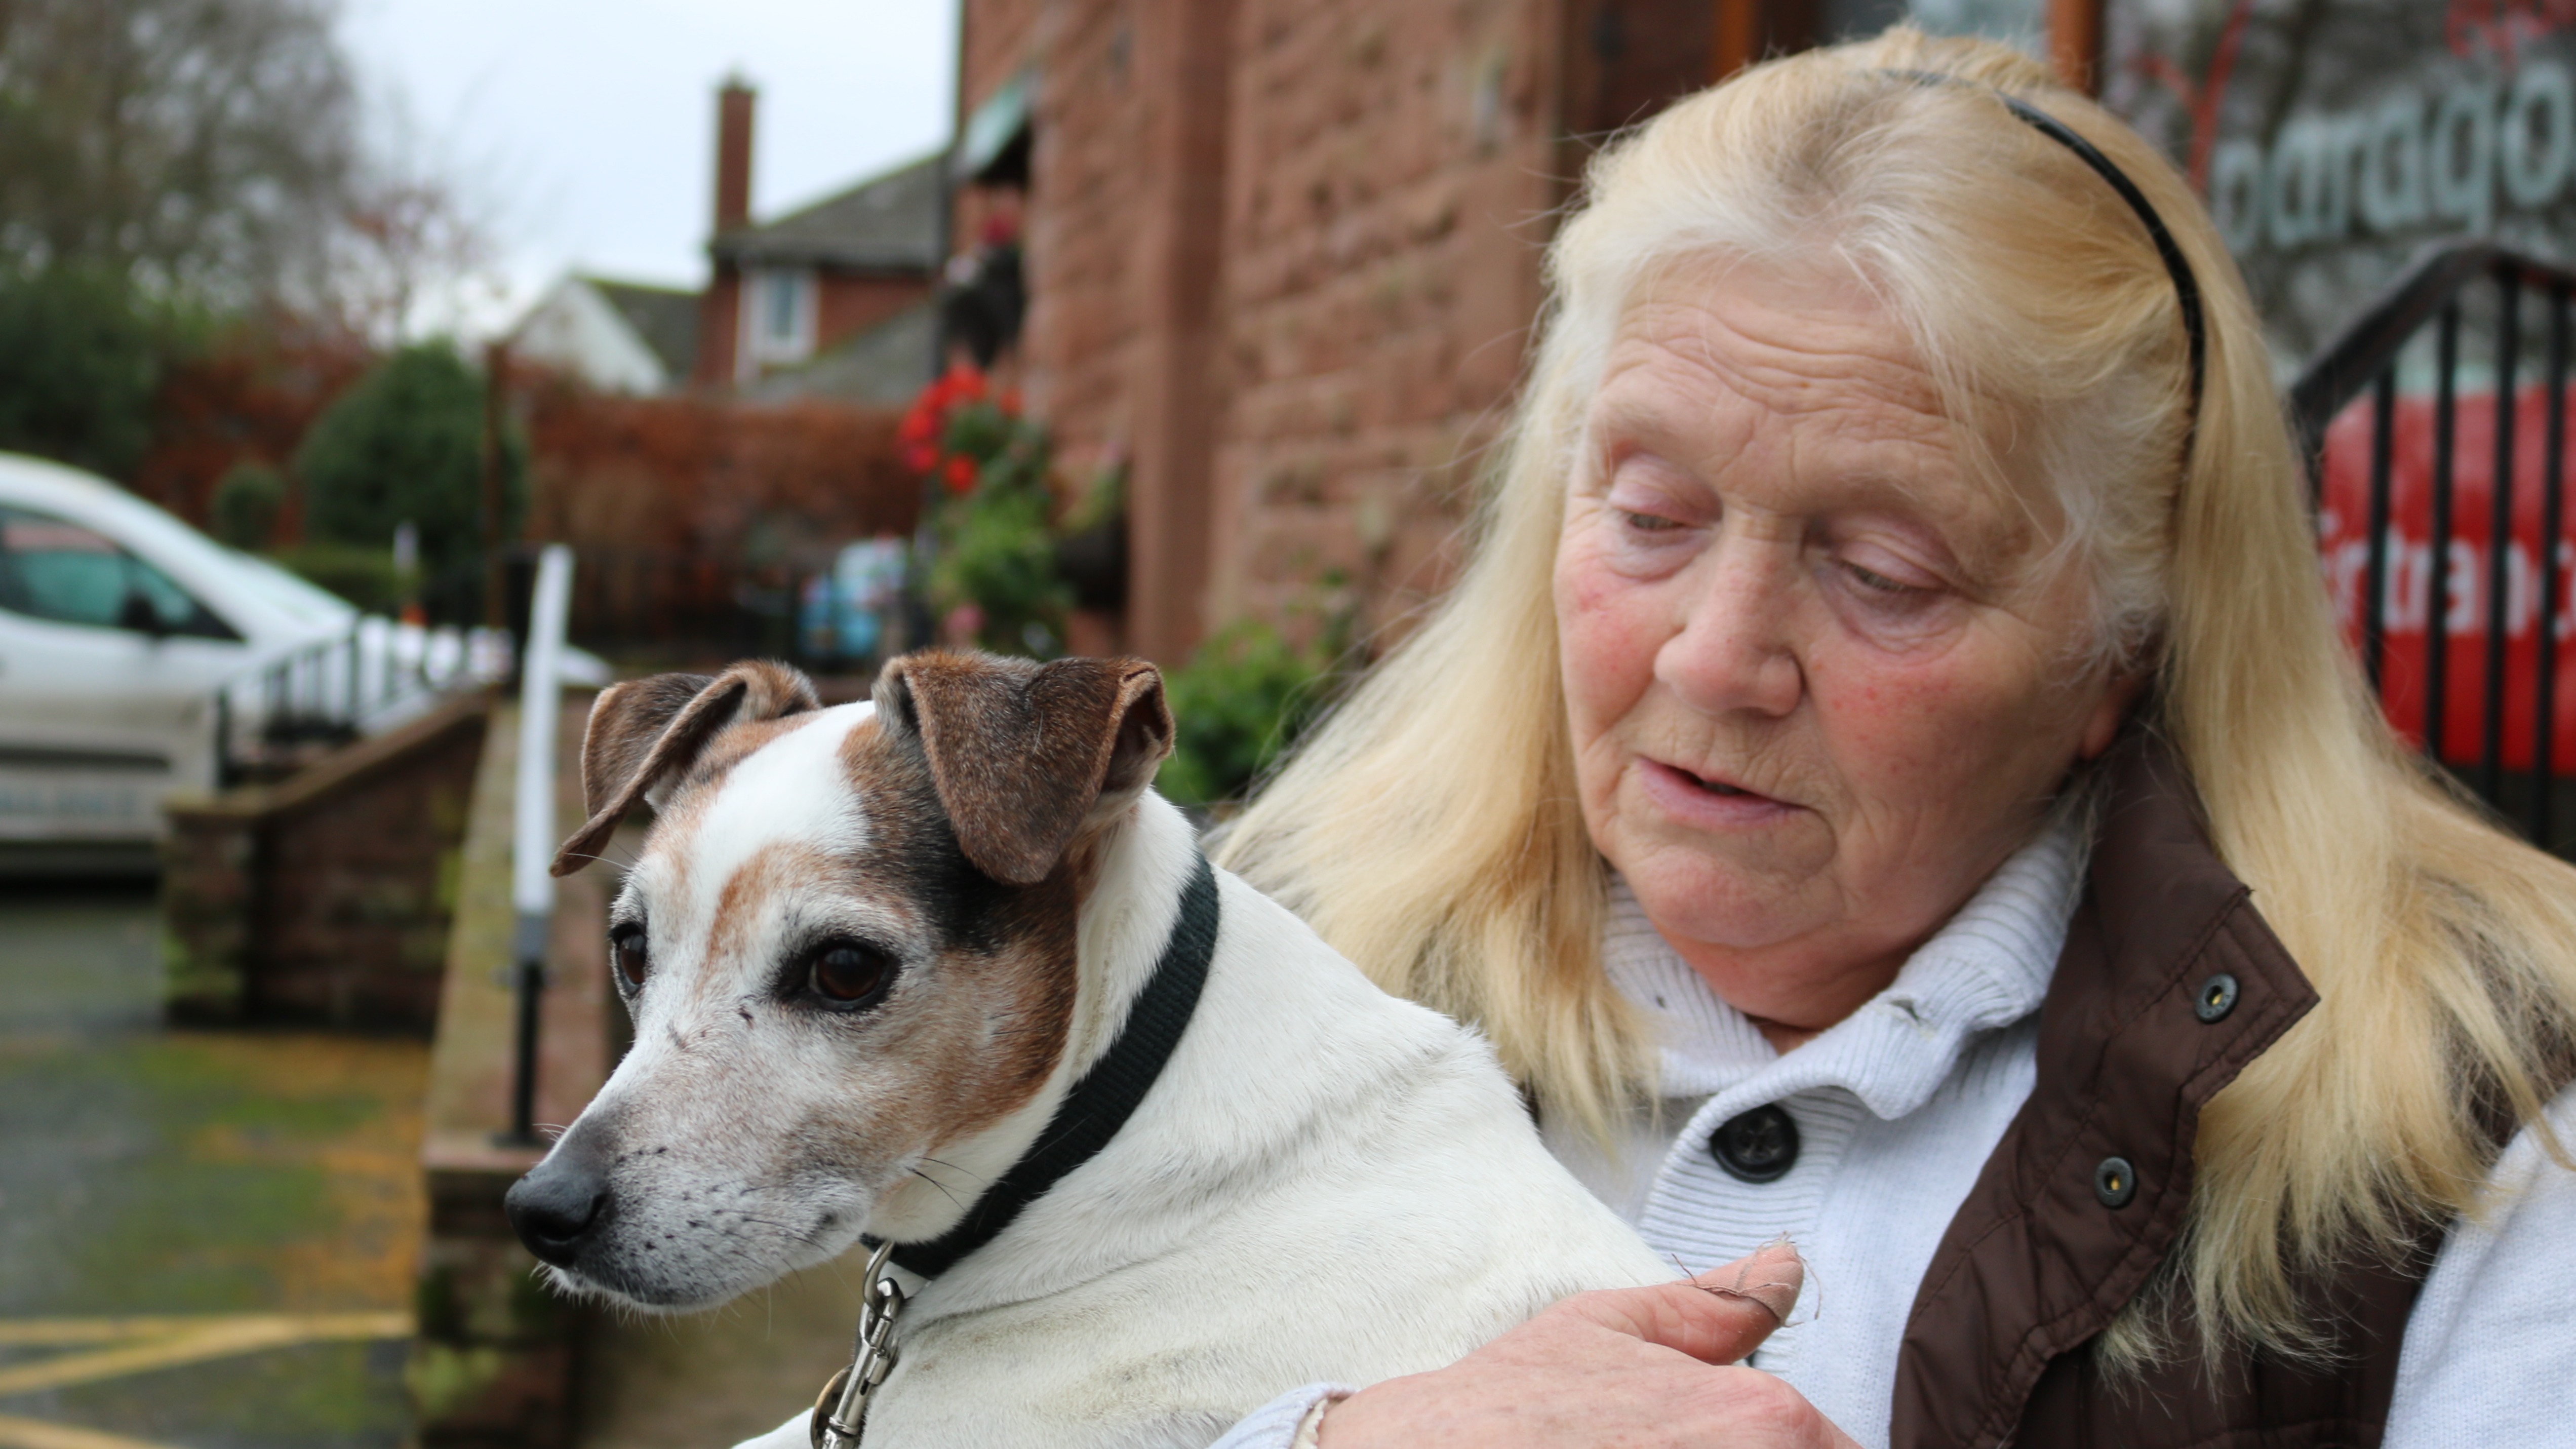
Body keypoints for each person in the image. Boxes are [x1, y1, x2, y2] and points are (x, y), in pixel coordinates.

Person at [1205, 27, 2576, 1449]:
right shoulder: (1259, 973)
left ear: (2123, 650)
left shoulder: (2476, 1111)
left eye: (1884, 574)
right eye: (1654, 514)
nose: (1717, 654)